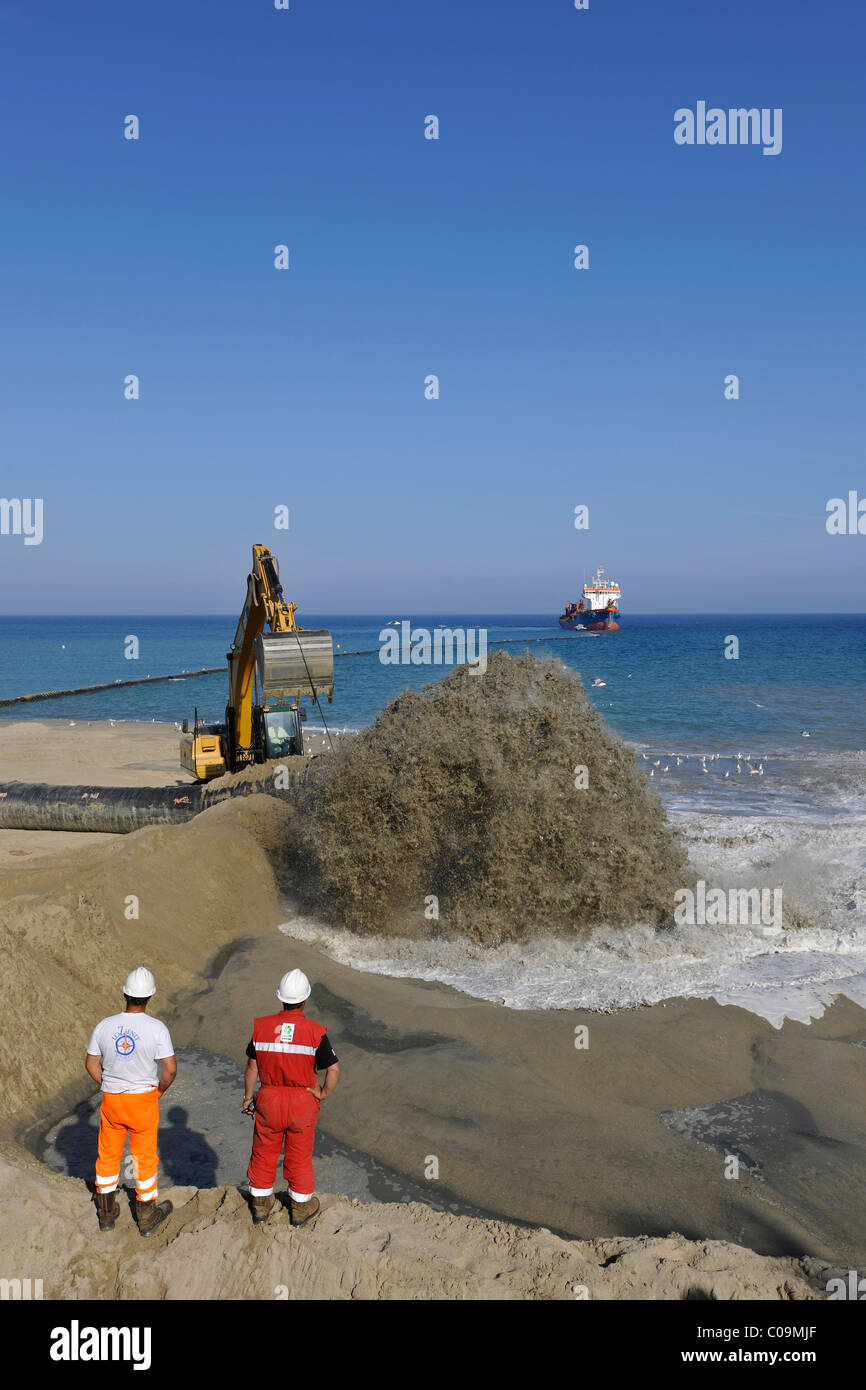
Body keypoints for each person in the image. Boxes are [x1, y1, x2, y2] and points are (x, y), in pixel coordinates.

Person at [243, 968, 339, 1227]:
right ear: (305, 1000)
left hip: (268, 1100)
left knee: (263, 1151)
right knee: (299, 1155)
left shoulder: (261, 1027)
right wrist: (322, 1093)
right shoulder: (315, 1032)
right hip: (302, 1102)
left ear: (280, 998)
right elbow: (333, 1068)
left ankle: (261, 1205)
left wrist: (248, 1096)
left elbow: (252, 1066)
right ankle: (299, 1208)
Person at [85, 967, 177, 1236]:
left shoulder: (105, 1025)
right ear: (150, 997)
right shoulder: (157, 1028)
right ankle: (147, 1216)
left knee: (108, 1154)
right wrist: (160, 1089)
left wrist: (107, 1084)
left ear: (124, 993)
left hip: (112, 1101)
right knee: (143, 1157)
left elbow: (91, 1063)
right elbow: (170, 1069)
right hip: (143, 1101)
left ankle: (106, 1214)